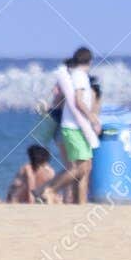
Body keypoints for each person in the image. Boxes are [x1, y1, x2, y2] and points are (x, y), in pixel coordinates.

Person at [42, 46, 101, 204]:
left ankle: (80, 203)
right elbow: (78, 100)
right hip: (74, 127)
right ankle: (49, 190)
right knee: (78, 168)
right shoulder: (80, 77)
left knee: (85, 167)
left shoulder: (76, 76)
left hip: (78, 127)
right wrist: (92, 118)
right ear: (89, 61)